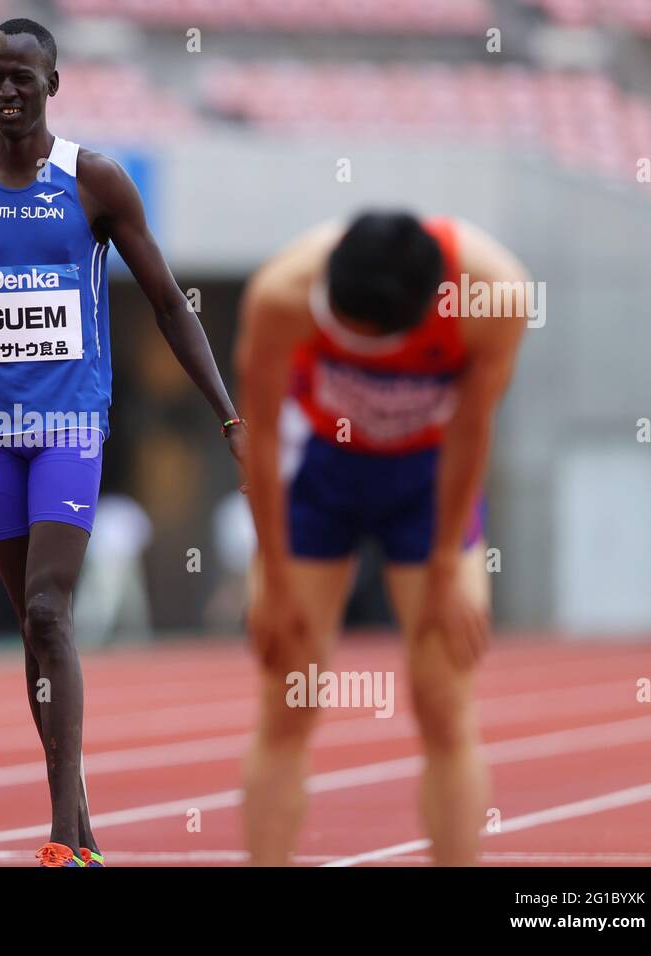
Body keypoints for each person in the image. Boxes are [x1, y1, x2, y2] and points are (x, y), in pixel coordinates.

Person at [0, 18, 245, 867]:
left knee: (54, 612)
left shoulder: (93, 181)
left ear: (53, 84)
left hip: (69, 426)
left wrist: (227, 413)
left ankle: (65, 834)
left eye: (22, 75)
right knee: (36, 629)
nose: (6, 89)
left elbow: (170, 302)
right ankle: (80, 811)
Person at [235, 211, 528, 865]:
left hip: (425, 482)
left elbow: (472, 434)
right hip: (318, 471)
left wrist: (449, 566)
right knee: (288, 699)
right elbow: (255, 433)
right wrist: (274, 578)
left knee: (444, 703)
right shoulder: (283, 292)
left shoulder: (495, 297)